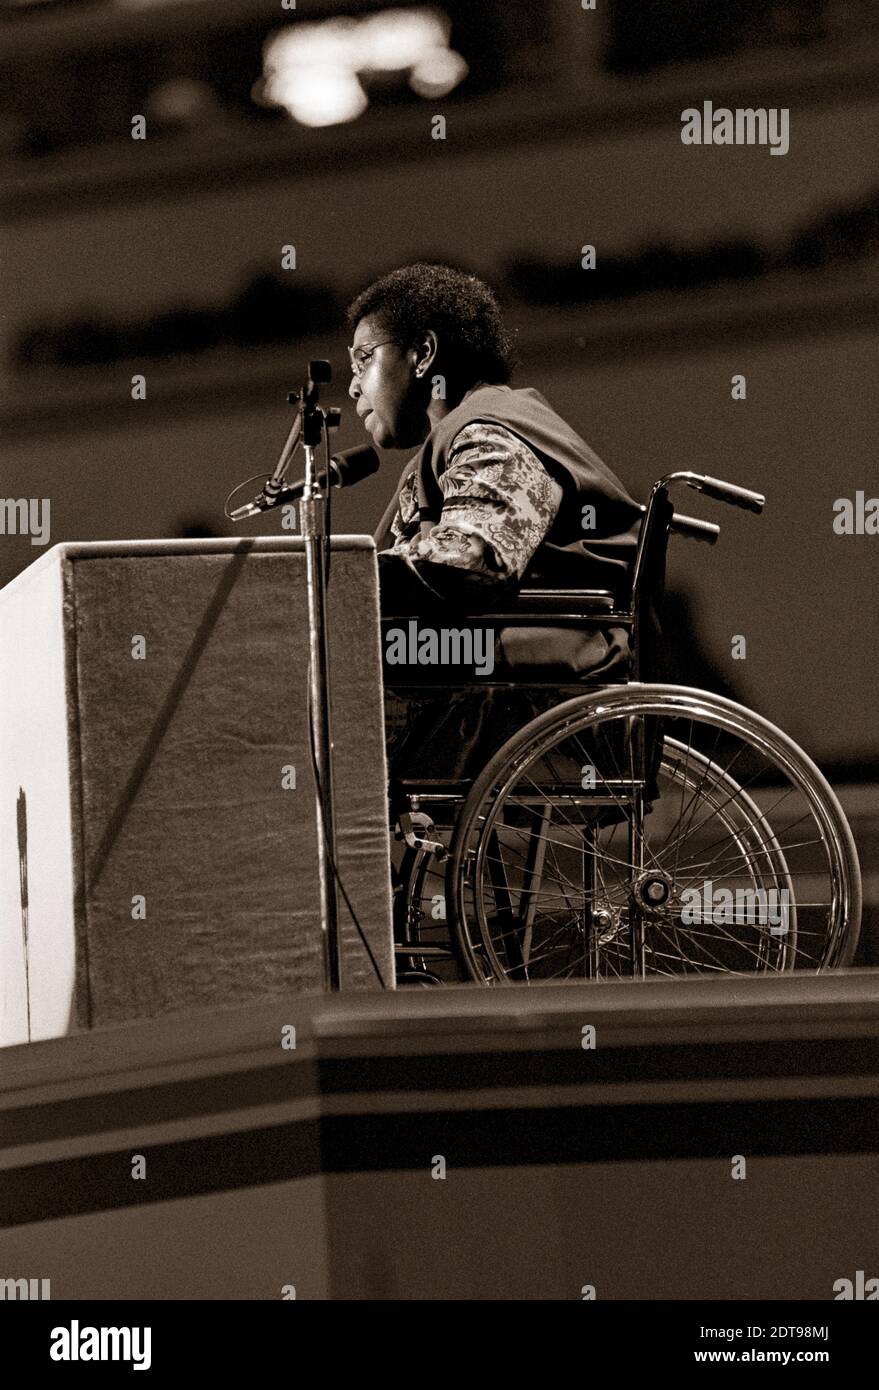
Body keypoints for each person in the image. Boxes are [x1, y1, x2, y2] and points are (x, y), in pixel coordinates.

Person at [346, 262, 644, 780]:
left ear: (422, 355)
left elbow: (473, 558)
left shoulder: (493, 431)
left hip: (542, 651)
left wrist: (343, 577)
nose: (353, 387)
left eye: (364, 359)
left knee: (326, 677)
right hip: (497, 647)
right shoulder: (465, 434)